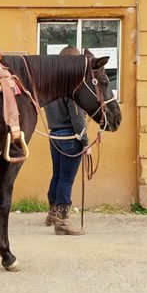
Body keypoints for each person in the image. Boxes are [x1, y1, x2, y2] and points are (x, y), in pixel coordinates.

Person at [44, 46, 88, 235]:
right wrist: (85, 142)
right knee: (66, 179)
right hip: (71, 136)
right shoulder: (73, 85)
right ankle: (62, 221)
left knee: (57, 175)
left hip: (54, 135)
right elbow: (77, 117)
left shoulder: (51, 84)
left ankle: (52, 214)